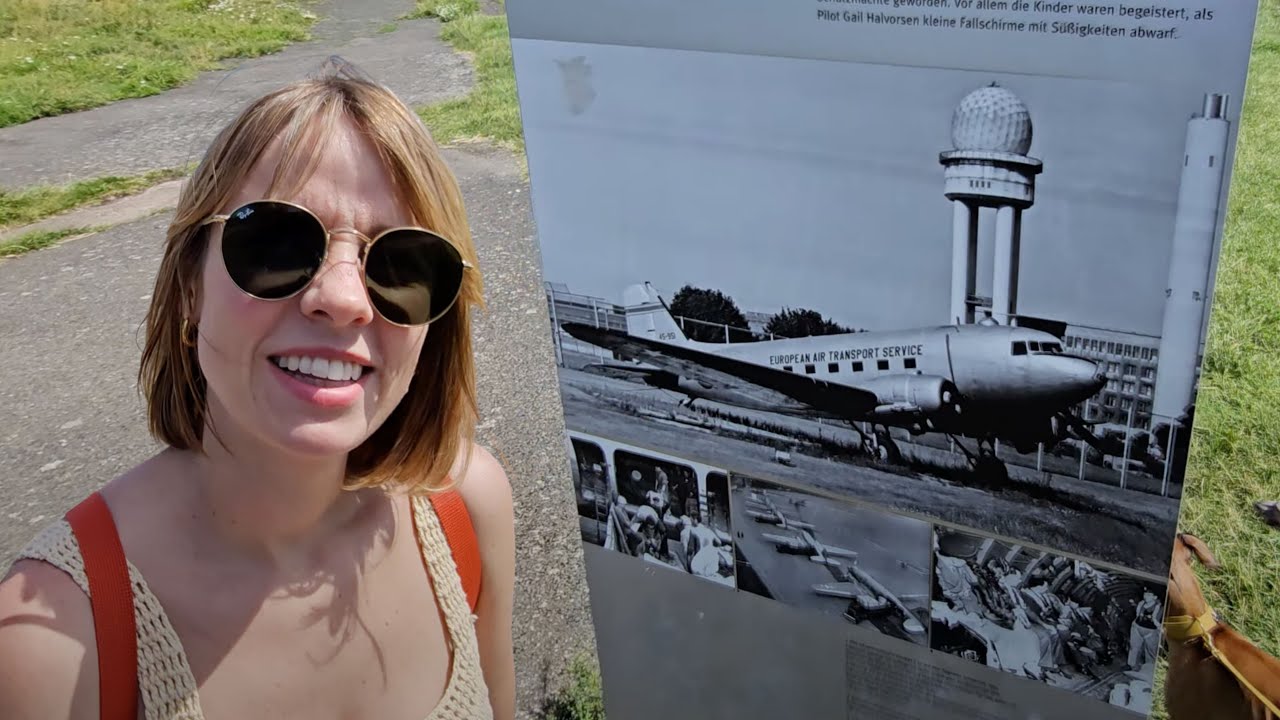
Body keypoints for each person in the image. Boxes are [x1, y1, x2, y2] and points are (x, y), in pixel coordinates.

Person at [0, 63, 516, 719]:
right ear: (190, 283)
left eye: (404, 264)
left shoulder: (467, 507)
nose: (343, 299)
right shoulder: (50, 642)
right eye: (275, 243)